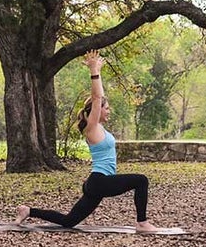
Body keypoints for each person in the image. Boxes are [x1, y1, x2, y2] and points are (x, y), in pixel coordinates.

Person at [15, 50, 159, 232]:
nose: (109, 110)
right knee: (141, 181)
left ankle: (28, 210)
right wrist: (94, 71)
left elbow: (100, 99)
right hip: (100, 181)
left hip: (97, 183)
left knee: (69, 221)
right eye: (106, 108)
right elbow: (98, 97)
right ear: (96, 111)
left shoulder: (100, 129)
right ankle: (142, 223)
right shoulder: (91, 129)